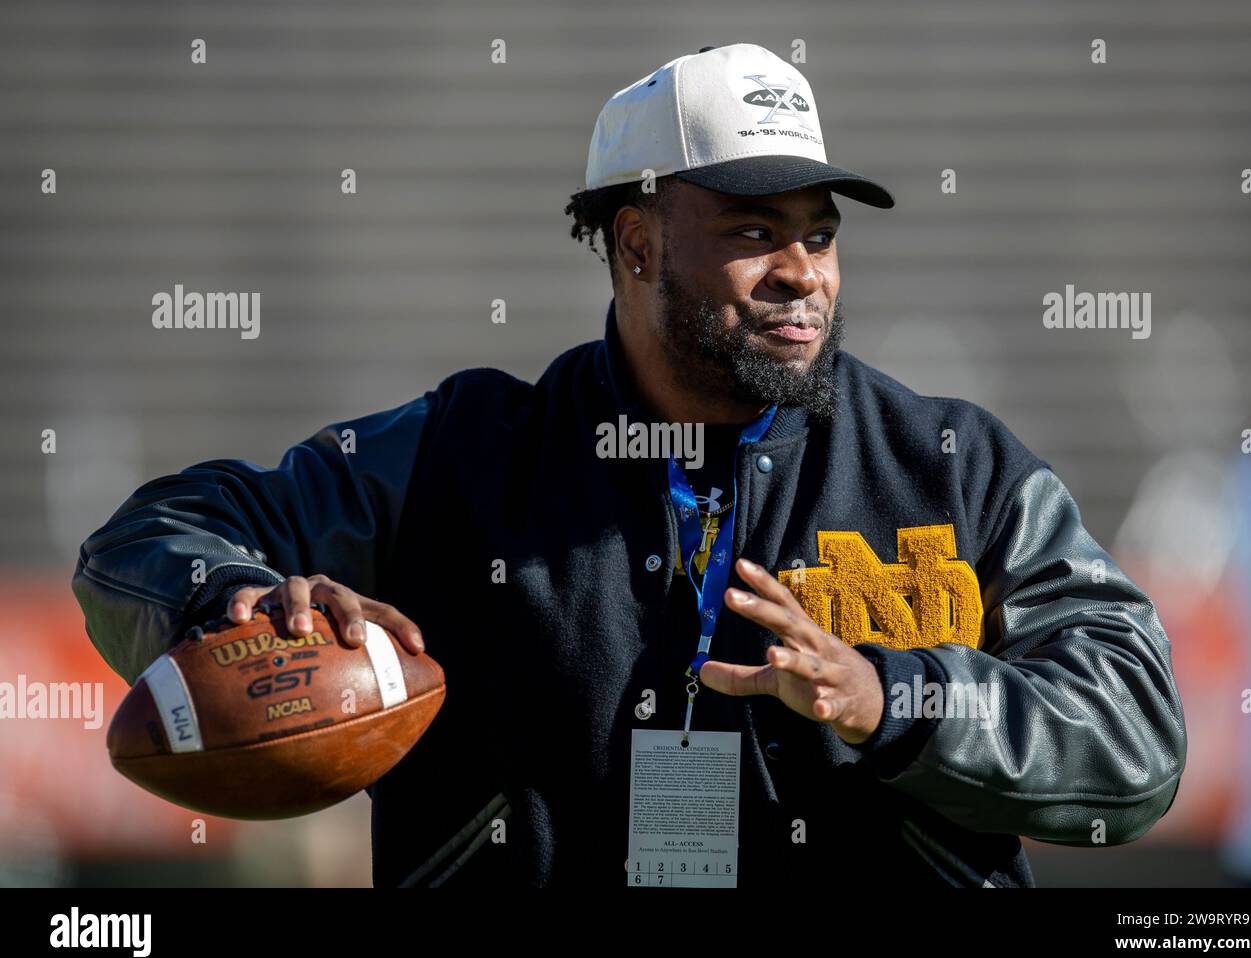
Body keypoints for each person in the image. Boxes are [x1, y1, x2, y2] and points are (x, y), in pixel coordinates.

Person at [72, 43, 1186, 889]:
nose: (803, 271)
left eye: (821, 231)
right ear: (637, 243)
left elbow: (1135, 741)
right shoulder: (462, 455)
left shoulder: (955, 468)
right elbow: (139, 541)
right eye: (755, 230)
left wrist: (889, 696)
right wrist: (238, 596)